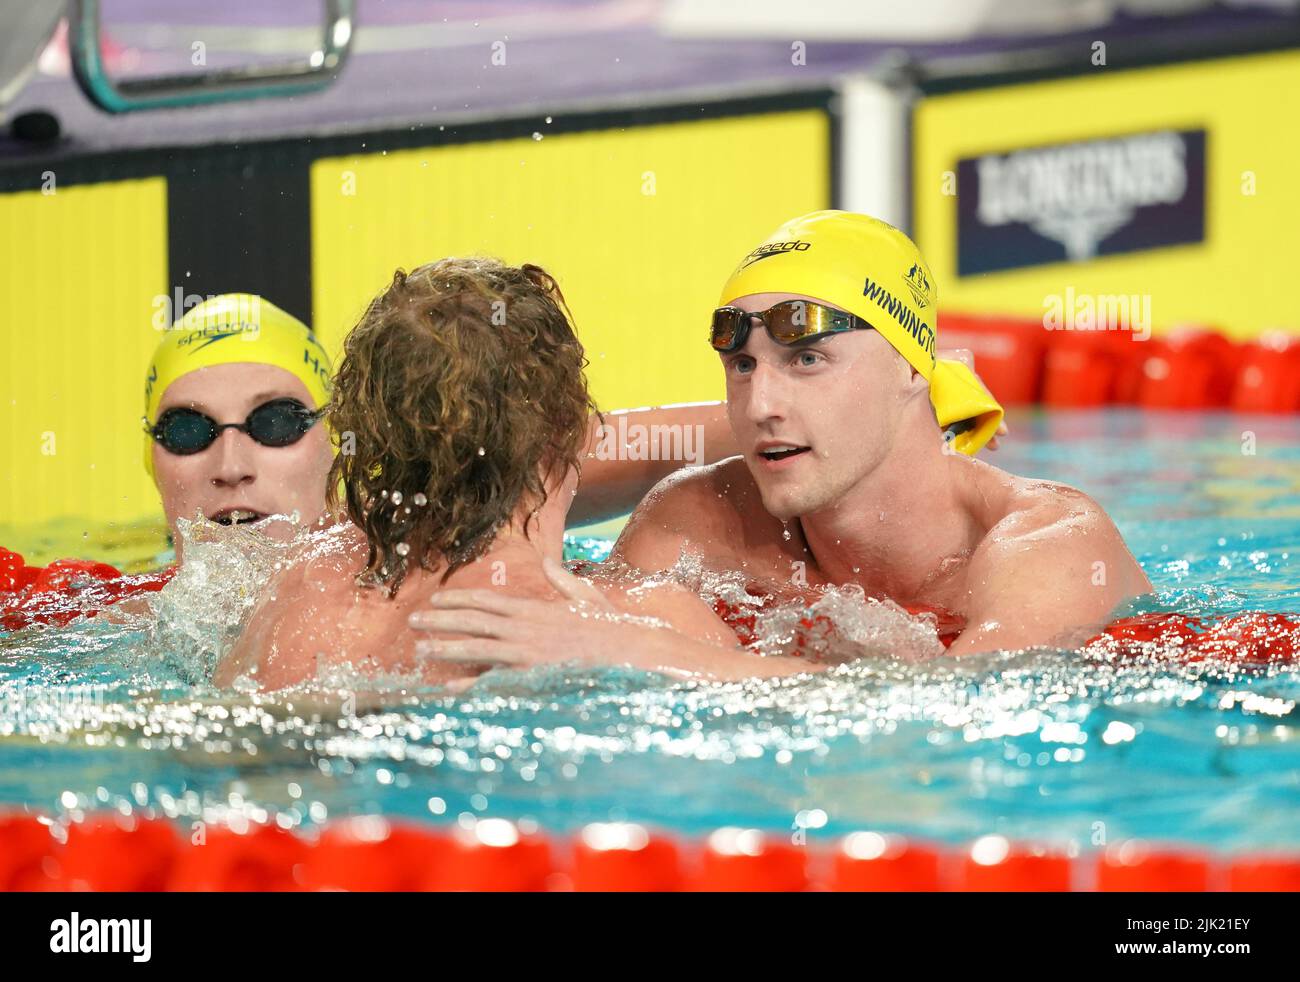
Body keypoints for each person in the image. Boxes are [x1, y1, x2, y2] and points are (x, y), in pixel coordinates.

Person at [416, 211, 1150, 661]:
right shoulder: (696, 525)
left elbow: (951, 725)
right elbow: (554, 618)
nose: (761, 404)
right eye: (742, 365)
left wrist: (644, 650)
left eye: (807, 360)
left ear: (911, 369)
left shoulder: (1049, 548)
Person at [214, 258, 812, 691]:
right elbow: (836, 714)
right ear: (571, 426)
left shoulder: (295, 585)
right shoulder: (633, 620)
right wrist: (657, 650)